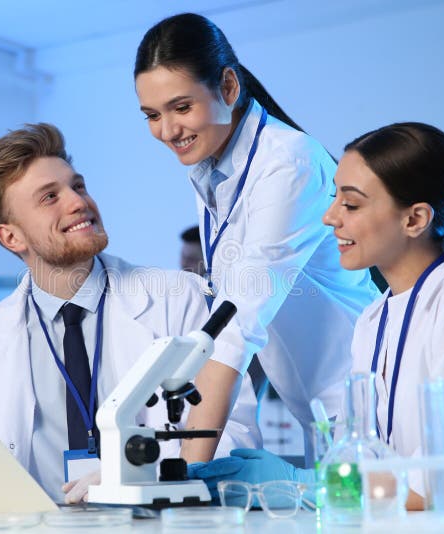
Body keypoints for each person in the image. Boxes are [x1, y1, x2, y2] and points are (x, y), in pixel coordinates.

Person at [0, 123, 260, 513]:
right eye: (50, 197)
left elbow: (235, 439)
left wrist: (141, 478)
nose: (78, 201)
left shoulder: (177, 300)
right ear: (11, 237)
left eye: (77, 186)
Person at [191, 122, 444, 510]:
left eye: (350, 204)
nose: (329, 217)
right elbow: (366, 463)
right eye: (335, 198)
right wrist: (312, 482)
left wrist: (300, 487)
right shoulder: (373, 320)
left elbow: (443, 486)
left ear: (415, 219)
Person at [134, 13, 378, 460]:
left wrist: (192, 472)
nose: (167, 131)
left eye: (182, 107)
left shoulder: (288, 163)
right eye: (152, 115)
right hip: (319, 413)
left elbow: (238, 324)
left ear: (228, 88)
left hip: (366, 408)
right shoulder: (209, 167)